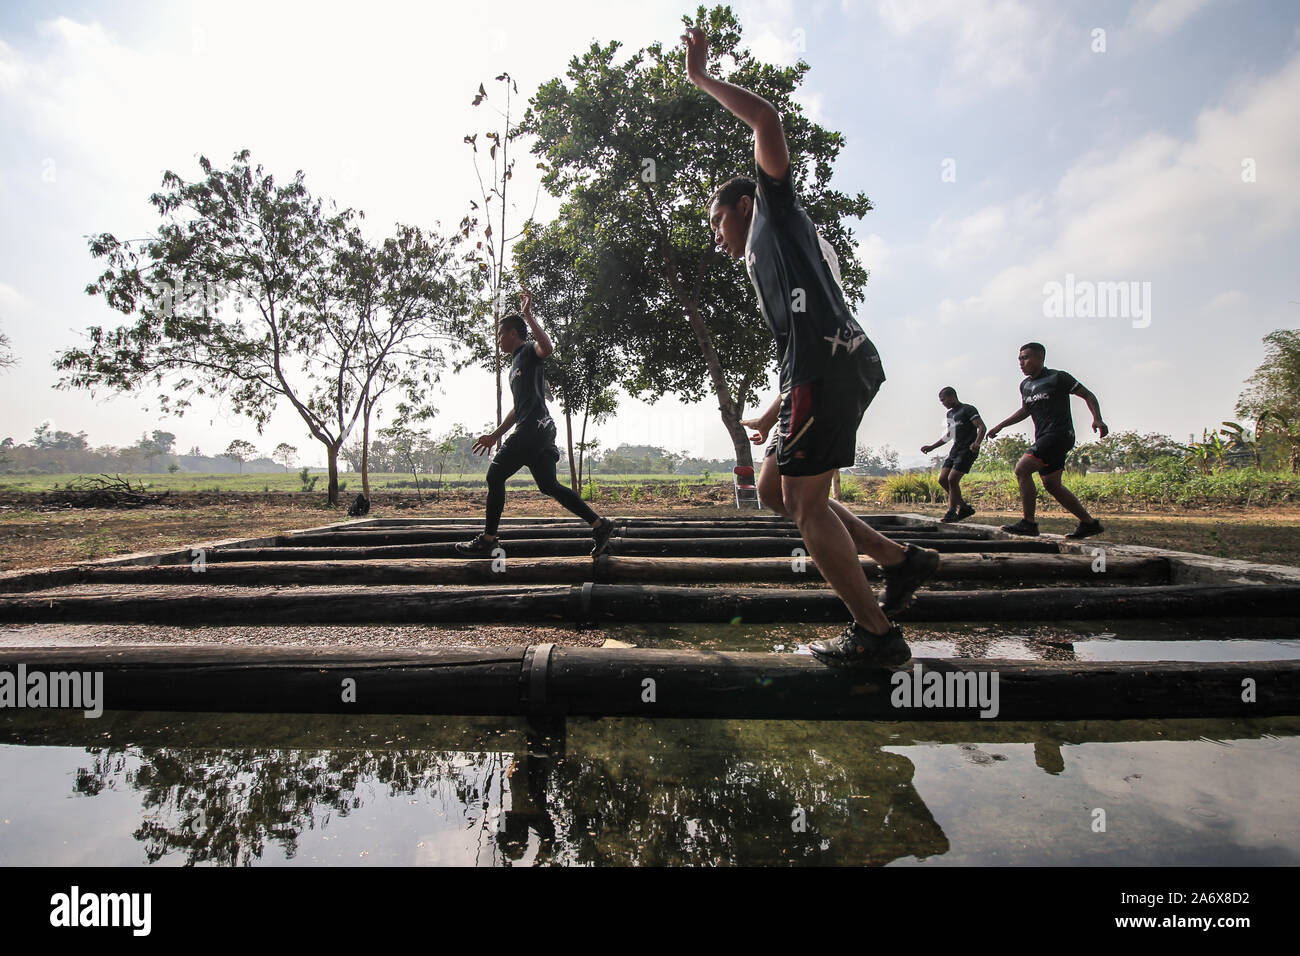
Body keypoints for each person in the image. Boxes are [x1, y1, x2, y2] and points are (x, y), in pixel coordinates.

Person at [684, 27, 938, 668]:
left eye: (717, 222)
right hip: (824, 369)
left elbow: (767, 118)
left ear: (742, 204)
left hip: (827, 371)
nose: (717, 238)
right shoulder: (767, 260)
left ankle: (877, 636)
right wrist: (774, 410)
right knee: (775, 492)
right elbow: (804, 340)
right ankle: (900, 560)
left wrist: (701, 78)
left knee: (805, 504)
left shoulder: (771, 210)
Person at [455, 290, 614, 557]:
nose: (498, 340)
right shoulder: (515, 367)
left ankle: (489, 539)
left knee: (494, 476)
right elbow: (519, 408)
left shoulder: (528, 351)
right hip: (539, 430)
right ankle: (600, 525)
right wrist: (495, 435)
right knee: (548, 485)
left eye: (500, 334)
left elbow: (548, 349)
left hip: (533, 429)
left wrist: (528, 315)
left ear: (514, 333)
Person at [985, 342, 1107, 538]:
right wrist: (1001, 425)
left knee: (1022, 469)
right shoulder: (1025, 385)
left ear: (1040, 358)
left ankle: (1028, 523)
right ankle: (1089, 523)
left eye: (1025, 358)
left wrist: (1097, 418)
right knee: (1051, 484)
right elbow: (1026, 410)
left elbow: (1088, 395)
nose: (1021, 362)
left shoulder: (1058, 378)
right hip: (1044, 436)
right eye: (1019, 359)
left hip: (1059, 435)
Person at [920, 387, 985, 522]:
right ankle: (963, 507)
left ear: (952, 396)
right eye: (941, 401)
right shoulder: (949, 414)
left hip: (968, 450)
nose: (943, 403)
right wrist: (932, 447)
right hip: (955, 449)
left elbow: (981, 427)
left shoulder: (968, 409)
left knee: (952, 479)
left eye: (944, 400)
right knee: (943, 479)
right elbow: (950, 435)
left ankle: (951, 511)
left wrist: (977, 443)